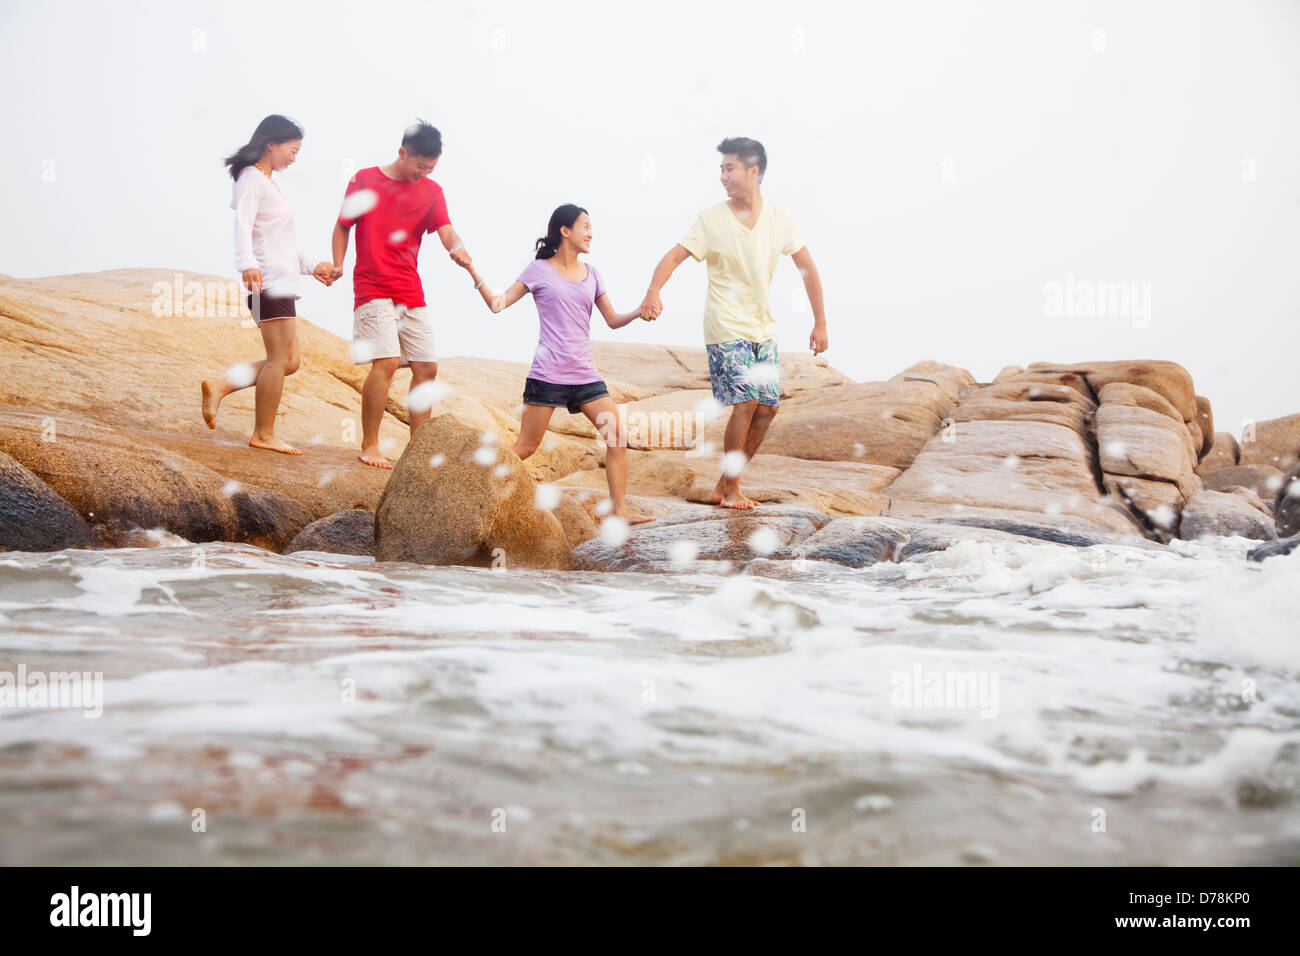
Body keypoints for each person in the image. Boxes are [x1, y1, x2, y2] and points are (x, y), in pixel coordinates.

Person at [638, 137, 828, 509]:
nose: (723, 176)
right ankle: (734, 490)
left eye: (730, 168)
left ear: (753, 171)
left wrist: (820, 323)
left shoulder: (780, 218)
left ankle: (724, 483)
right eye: (722, 169)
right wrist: (653, 292)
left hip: (763, 329)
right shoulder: (711, 220)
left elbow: (808, 269)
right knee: (748, 400)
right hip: (725, 325)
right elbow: (674, 257)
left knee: (768, 409)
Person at [458, 204, 656, 526]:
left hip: (585, 375)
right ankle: (471, 483)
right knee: (526, 446)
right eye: (586, 227)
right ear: (565, 231)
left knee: (616, 436)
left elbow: (612, 319)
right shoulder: (538, 270)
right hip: (547, 375)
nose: (591, 233)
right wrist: (473, 271)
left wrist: (638, 311)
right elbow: (498, 304)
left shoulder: (593, 274)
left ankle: (619, 512)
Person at [332, 120, 472, 469]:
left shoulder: (432, 191)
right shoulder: (364, 179)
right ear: (402, 153)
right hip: (372, 285)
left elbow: (446, 229)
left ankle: (417, 451)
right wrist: (337, 264)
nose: (423, 173)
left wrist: (457, 248)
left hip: (409, 290)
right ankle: (370, 444)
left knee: (427, 367)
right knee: (388, 362)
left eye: (430, 168)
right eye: (419, 166)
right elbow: (342, 226)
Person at [202, 114, 335, 454]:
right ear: (271, 144)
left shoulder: (267, 182)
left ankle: (220, 386)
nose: (294, 158)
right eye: (292, 149)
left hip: (280, 282)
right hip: (267, 285)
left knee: (289, 362)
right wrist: (246, 264)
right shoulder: (251, 178)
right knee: (278, 359)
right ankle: (263, 433)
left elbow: (280, 242)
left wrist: (312, 266)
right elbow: (243, 225)